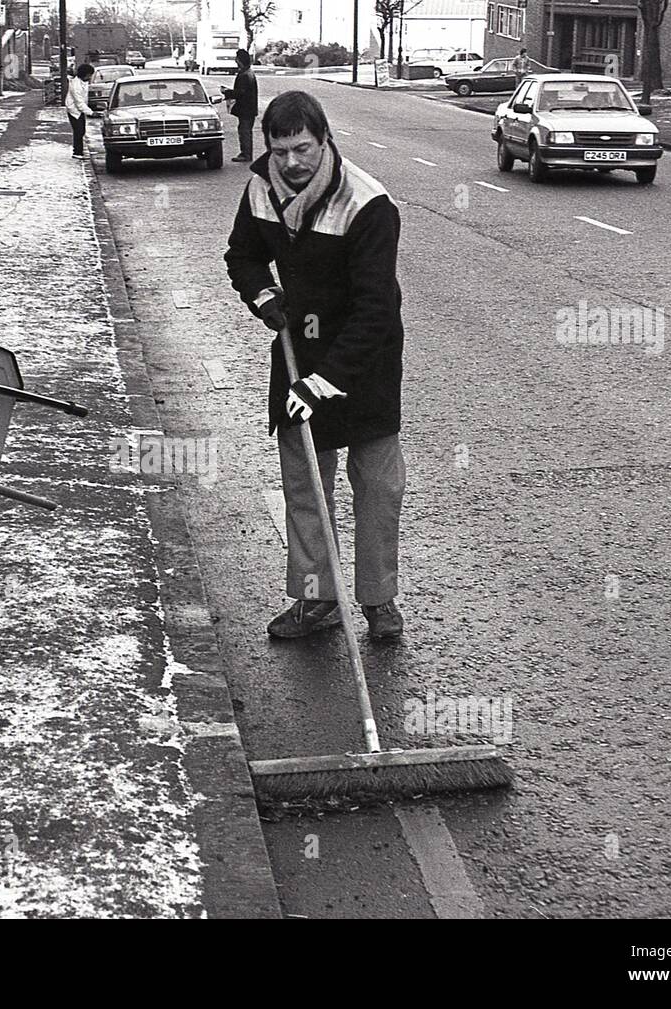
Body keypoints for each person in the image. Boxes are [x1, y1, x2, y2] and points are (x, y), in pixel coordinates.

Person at [224, 91, 407, 642]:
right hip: (296, 353)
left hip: (364, 363)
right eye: (279, 151)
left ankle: (379, 602)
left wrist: (325, 384)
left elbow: (376, 309)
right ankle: (316, 599)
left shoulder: (369, 204)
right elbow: (242, 254)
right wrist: (262, 297)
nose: (291, 163)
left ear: (324, 140)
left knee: (377, 485)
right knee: (306, 488)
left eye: (302, 148)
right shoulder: (261, 189)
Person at [222, 48, 258, 162]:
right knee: (245, 130)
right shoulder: (248, 73)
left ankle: (246, 154)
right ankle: (246, 153)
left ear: (240, 60)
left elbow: (241, 92)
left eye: (236, 58)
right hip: (250, 108)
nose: (235, 61)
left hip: (246, 108)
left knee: (244, 131)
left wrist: (227, 92)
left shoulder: (244, 75)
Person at [64, 63, 95, 159]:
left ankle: (79, 151)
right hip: (74, 110)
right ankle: (77, 152)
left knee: (81, 131)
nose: (90, 77)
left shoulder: (82, 82)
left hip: (79, 110)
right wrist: (91, 113)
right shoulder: (75, 85)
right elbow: (79, 102)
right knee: (78, 131)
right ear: (84, 74)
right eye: (89, 75)